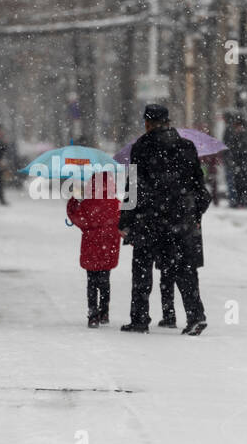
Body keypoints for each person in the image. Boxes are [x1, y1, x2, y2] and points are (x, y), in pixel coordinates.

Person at [118, 104, 211, 336]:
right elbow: (199, 186)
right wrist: (195, 213)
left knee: (142, 269)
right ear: (168, 121)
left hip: (148, 218)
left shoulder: (141, 147)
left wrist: (125, 220)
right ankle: (195, 316)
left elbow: (133, 186)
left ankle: (139, 319)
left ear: (147, 123)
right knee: (184, 268)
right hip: (180, 218)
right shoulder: (186, 146)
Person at [66, 169, 120, 327]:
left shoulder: (88, 203)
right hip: (109, 247)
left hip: (91, 247)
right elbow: (123, 223)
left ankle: (93, 314)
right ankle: (104, 312)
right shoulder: (115, 203)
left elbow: (76, 217)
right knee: (105, 281)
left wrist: (74, 200)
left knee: (92, 281)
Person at [223, 114, 247, 208]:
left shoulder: (243, 137)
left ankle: (245, 201)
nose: (239, 128)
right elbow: (231, 151)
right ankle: (240, 202)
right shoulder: (235, 137)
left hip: (243, 165)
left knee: (244, 185)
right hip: (238, 165)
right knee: (239, 184)